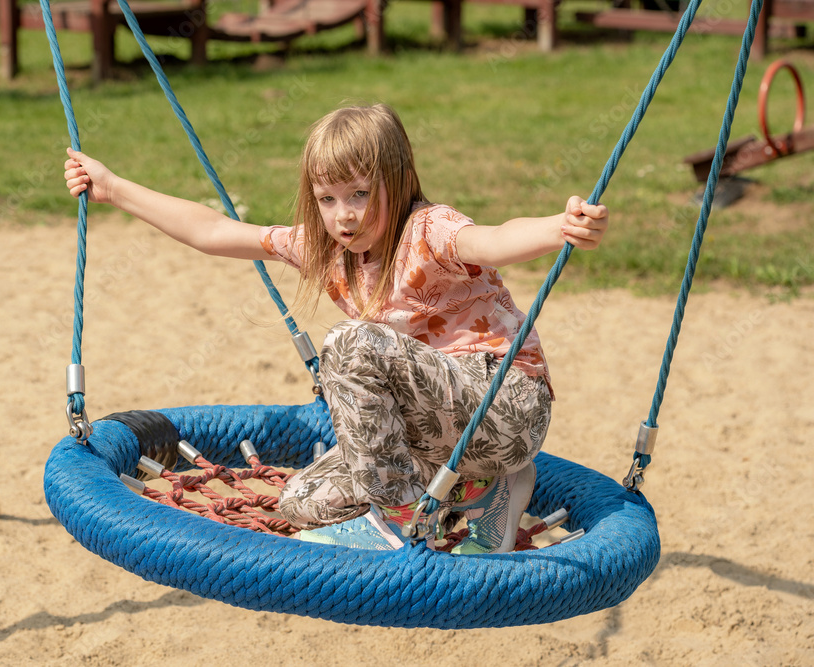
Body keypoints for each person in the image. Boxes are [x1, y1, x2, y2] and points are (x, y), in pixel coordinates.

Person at [63, 103, 608, 554]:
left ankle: (402, 520)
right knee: (302, 500)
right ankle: (482, 486)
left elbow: (494, 240)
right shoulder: (327, 251)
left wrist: (560, 228)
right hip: (434, 441)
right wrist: (113, 188)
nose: (343, 215)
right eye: (328, 199)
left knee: (348, 343)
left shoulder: (429, 231)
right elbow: (214, 231)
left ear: (396, 182)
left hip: (504, 405)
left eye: (360, 194)